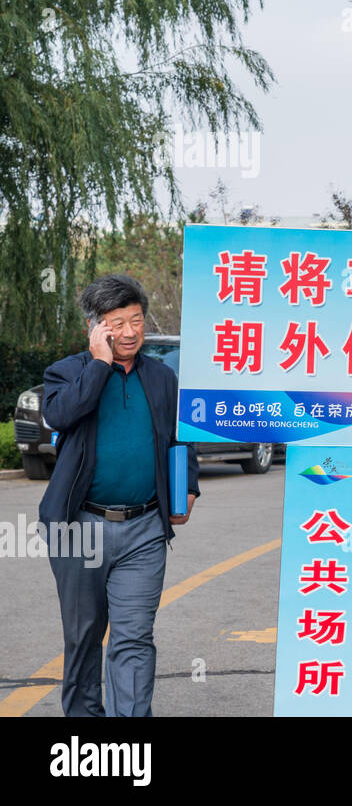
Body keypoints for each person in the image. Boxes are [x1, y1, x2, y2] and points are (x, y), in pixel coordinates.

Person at [39, 274, 199, 716]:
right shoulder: (67, 373)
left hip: (145, 528)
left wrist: (185, 488)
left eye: (136, 321)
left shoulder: (163, 377)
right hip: (80, 529)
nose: (130, 332)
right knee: (84, 636)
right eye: (116, 323)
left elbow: (179, 439)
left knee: (133, 638)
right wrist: (99, 363)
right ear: (95, 328)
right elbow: (62, 415)